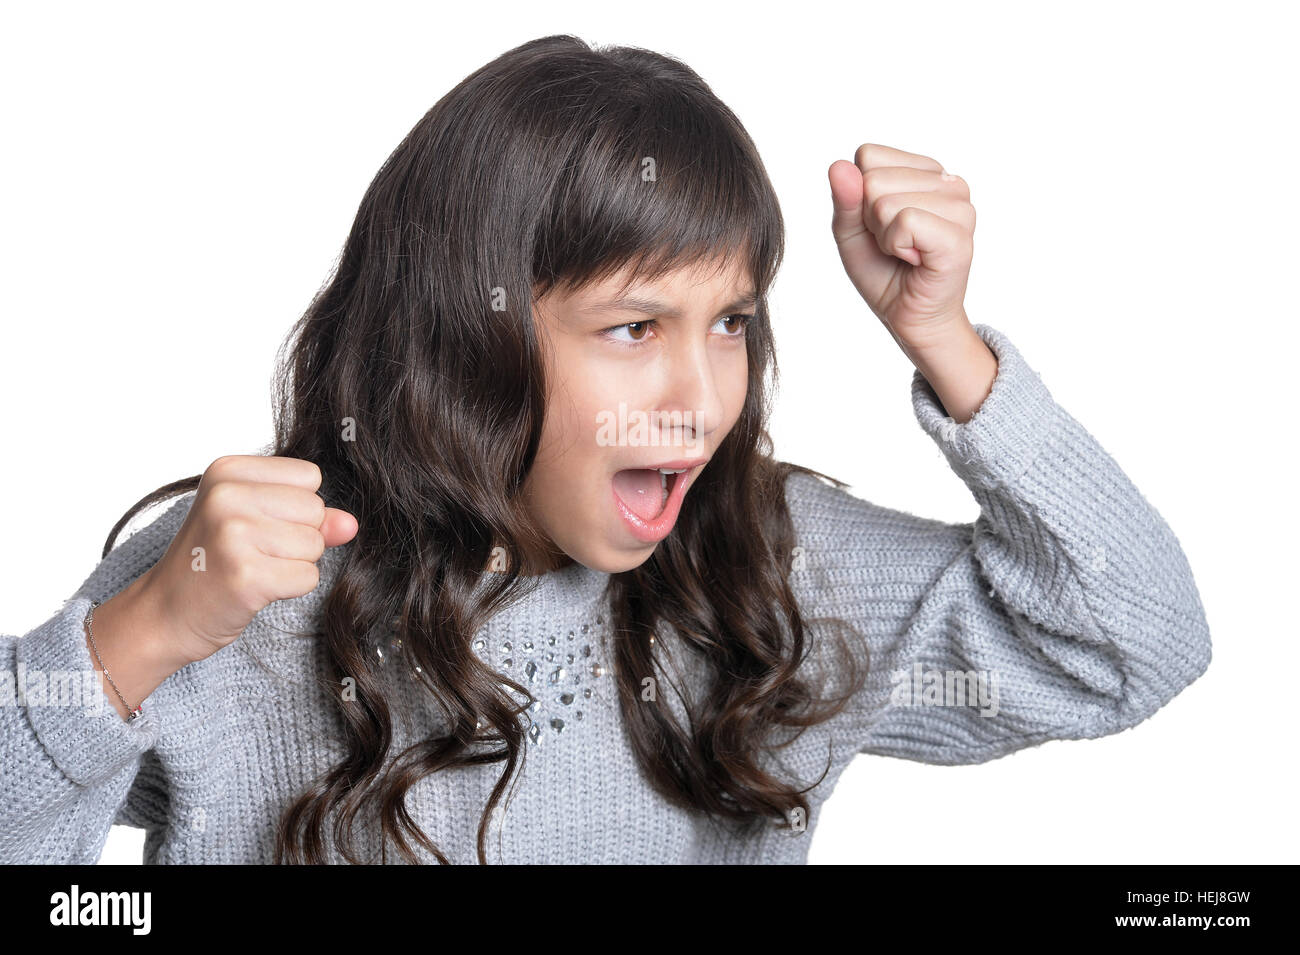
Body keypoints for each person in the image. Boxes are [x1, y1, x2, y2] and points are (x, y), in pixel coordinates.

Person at [0, 34, 1211, 864]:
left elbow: (1134, 648)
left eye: (729, 322)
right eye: (634, 328)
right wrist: (137, 635)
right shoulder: (241, 581)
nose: (698, 396)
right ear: (461, 336)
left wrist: (946, 342)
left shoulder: (770, 568)